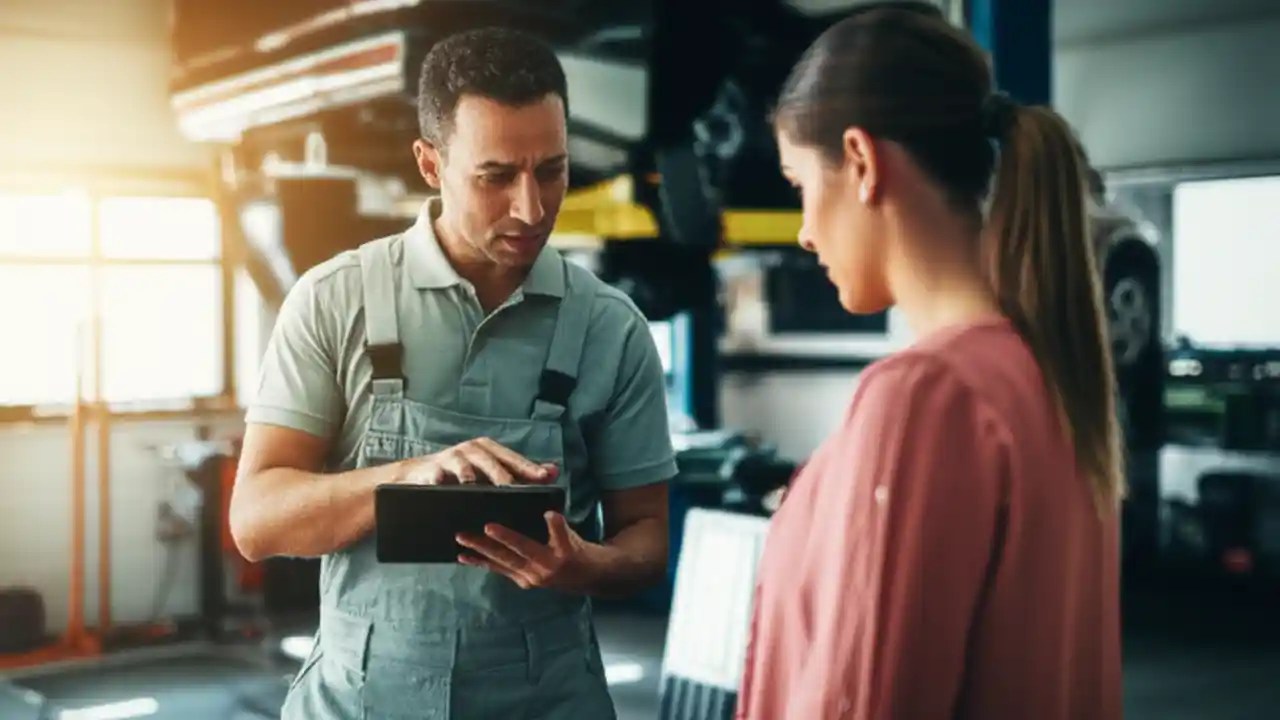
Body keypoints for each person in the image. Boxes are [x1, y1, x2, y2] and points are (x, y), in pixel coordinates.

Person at [230, 27, 676, 720]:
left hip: (548, 699)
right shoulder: (335, 300)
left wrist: (583, 565)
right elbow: (256, 521)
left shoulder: (610, 328)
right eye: (496, 177)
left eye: (552, 171)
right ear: (430, 165)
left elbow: (646, 536)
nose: (531, 209)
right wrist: (403, 476)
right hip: (360, 699)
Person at [736, 8, 1123, 720]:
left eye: (800, 186)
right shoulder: (1045, 375)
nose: (805, 230)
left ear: (860, 162)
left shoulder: (925, 394)